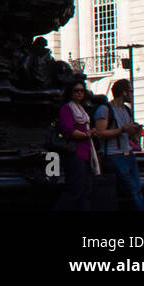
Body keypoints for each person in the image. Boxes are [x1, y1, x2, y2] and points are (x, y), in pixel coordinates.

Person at [94, 79, 144, 211]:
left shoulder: (126, 110)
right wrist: (123, 129)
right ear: (123, 92)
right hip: (113, 156)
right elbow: (100, 133)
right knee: (132, 192)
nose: (132, 94)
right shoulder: (104, 110)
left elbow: (132, 138)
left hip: (128, 155)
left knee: (137, 191)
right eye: (130, 91)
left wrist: (136, 133)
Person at [54, 80, 99, 210]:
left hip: (86, 153)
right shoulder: (67, 108)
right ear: (70, 92)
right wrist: (87, 134)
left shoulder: (82, 109)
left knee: (86, 190)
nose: (79, 93)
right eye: (76, 90)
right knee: (75, 190)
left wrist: (90, 133)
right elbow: (68, 130)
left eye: (82, 91)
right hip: (75, 153)